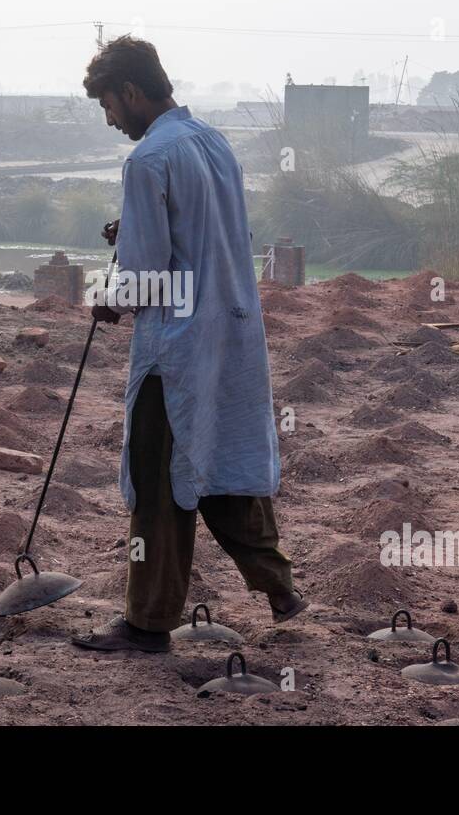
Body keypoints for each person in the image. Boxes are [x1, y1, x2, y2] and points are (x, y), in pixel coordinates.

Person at [71, 36, 305, 654]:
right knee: (221, 466)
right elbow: (205, 230)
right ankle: (278, 585)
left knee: (159, 483)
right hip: (230, 332)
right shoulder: (212, 142)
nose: (110, 119)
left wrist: (106, 299)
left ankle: (148, 625)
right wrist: (137, 224)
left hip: (175, 348)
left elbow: (144, 277)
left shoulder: (148, 160)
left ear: (130, 91)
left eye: (108, 106)